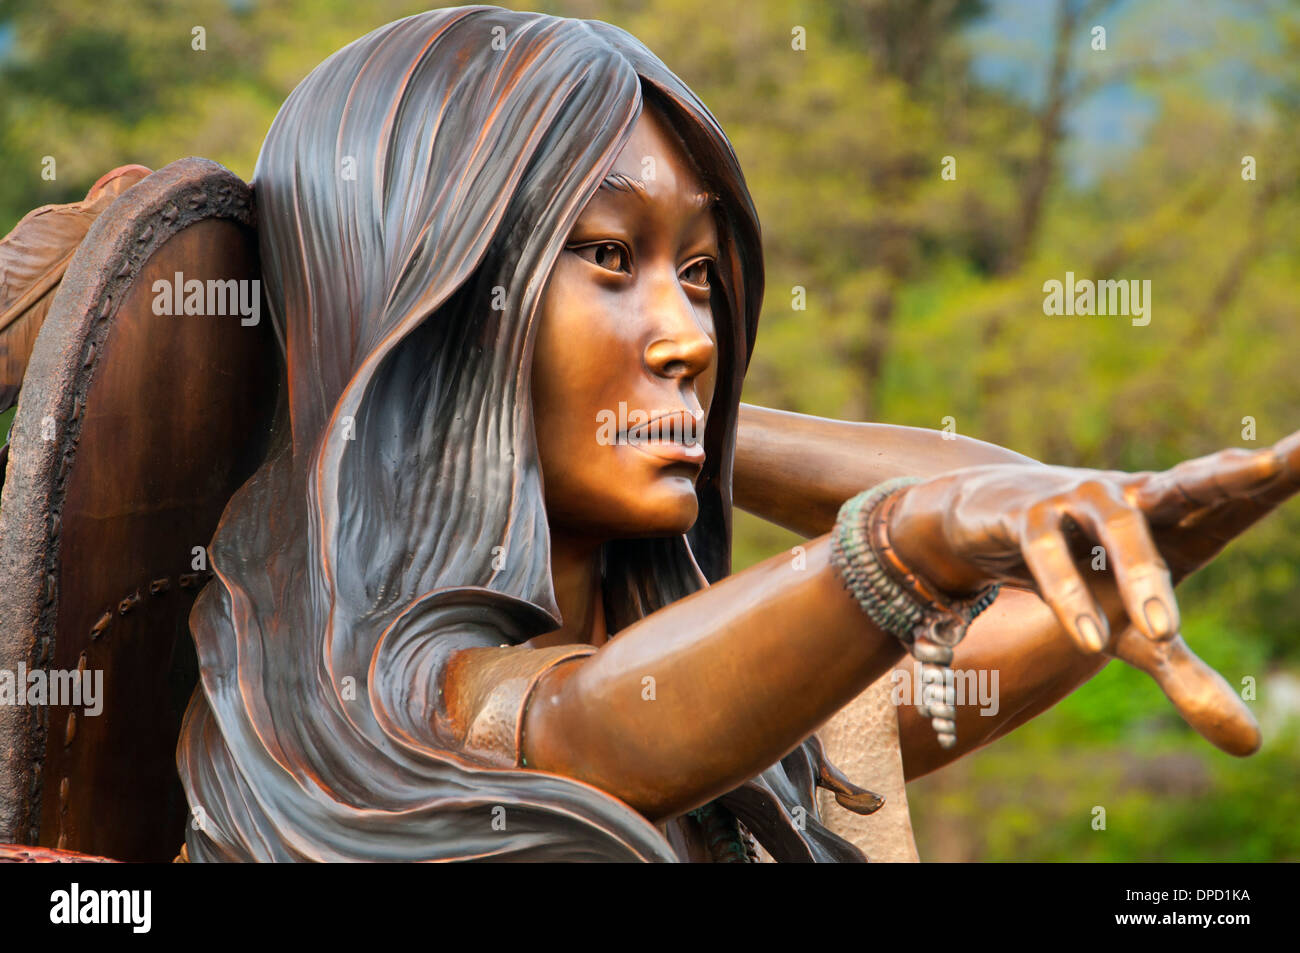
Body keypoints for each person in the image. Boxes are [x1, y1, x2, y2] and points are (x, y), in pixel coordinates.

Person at [176, 6, 1298, 862]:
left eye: (702, 272)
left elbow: (1052, 567)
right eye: (610, 257)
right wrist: (900, 546)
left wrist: (687, 424)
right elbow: (591, 725)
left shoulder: (762, 728)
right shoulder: (386, 727)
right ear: (435, 307)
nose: (690, 332)